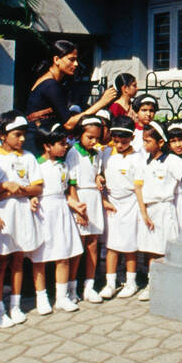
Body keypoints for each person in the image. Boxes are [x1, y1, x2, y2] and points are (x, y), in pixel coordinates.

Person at [0, 113, 42, 328]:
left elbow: (38, 186)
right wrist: (4, 187)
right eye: (17, 134)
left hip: (22, 214)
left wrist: (20, 190)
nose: (22, 139)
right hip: (1, 216)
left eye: (24, 134)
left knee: (18, 260)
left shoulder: (28, 158)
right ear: (3, 135)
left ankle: (14, 305)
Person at [137, 121, 182, 302]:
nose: (144, 145)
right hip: (150, 211)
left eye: (148, 141)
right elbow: (139, 187)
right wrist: (144, 213)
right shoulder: (145, 162)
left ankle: (171, 284)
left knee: (166, 249)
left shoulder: (171, 161)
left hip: (166, 209)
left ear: (160, 142)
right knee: (150, 250)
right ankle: (152, 283)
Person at [31, 122, 83, 314]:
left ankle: (62, 297)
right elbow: (32, 191)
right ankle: (41, 297)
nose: (66, 146)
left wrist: (76, 205)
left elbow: (66, 193)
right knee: (41, 257)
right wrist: (32, 200)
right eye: (61, 143)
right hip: (44, 212)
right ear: (47, 145)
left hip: (61, 211)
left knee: (63, 255)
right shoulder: (36, 165)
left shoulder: (64, 165)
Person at [100, 117, 147, 298]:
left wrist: (142, 211)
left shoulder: (138, 159)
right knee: (112, 245)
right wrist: (103, 196)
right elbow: (100, 175)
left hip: (131, 203)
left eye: (124, 142)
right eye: (116, 141)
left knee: (129, 246)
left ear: (132, 138)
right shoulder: (106, 154)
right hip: (112, 203)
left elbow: (139, 186)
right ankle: (110, 283)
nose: (119, 145)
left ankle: (131, 282)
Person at [66, 115, 107, 305]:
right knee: (78, 246)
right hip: (80, 200)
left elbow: (96, 173)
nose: (93, 141)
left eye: (97, 138)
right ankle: (71, 288)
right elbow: (71, 184)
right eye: (89, 137)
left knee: (93, 243)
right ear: (80, 134)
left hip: (94, 199)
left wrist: (99, 178)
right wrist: (78, 209)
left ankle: (89, 287)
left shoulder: (97, 154)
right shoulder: (73, 153)